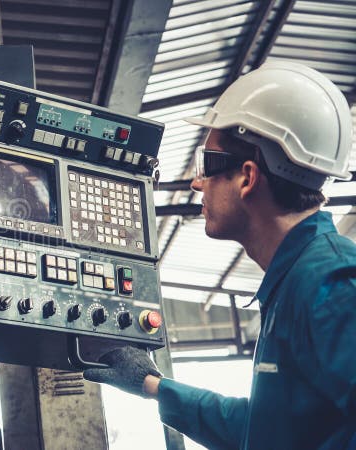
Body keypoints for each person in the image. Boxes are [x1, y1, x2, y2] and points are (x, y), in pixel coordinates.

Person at [83, 60, 356, 450]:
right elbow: (261, 430)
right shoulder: (296, 281)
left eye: (207, 164)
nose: (197, 182)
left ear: (248, 177)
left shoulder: (330, 282)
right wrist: (152, 385)